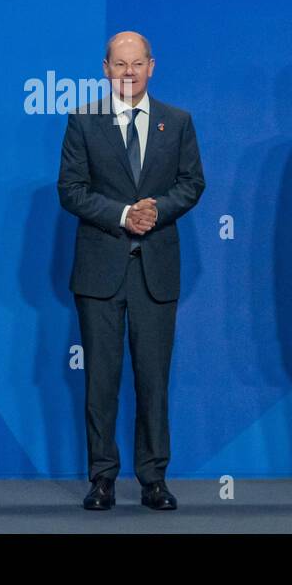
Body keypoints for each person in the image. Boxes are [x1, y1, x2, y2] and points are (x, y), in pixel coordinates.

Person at [57, 32, 205, 511]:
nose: (128, 72)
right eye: (119, 65)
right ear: (105, 68)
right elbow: (71, 190)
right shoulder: (83, 120)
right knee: (100, 380)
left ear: (151, 66)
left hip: (156, 271)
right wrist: (124, 215)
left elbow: (192, 183)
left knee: (153, 380)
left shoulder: (177, 122)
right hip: (100, 270)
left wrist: (155, 210)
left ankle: (153, 479)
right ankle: (101, 479)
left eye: (137, 64)